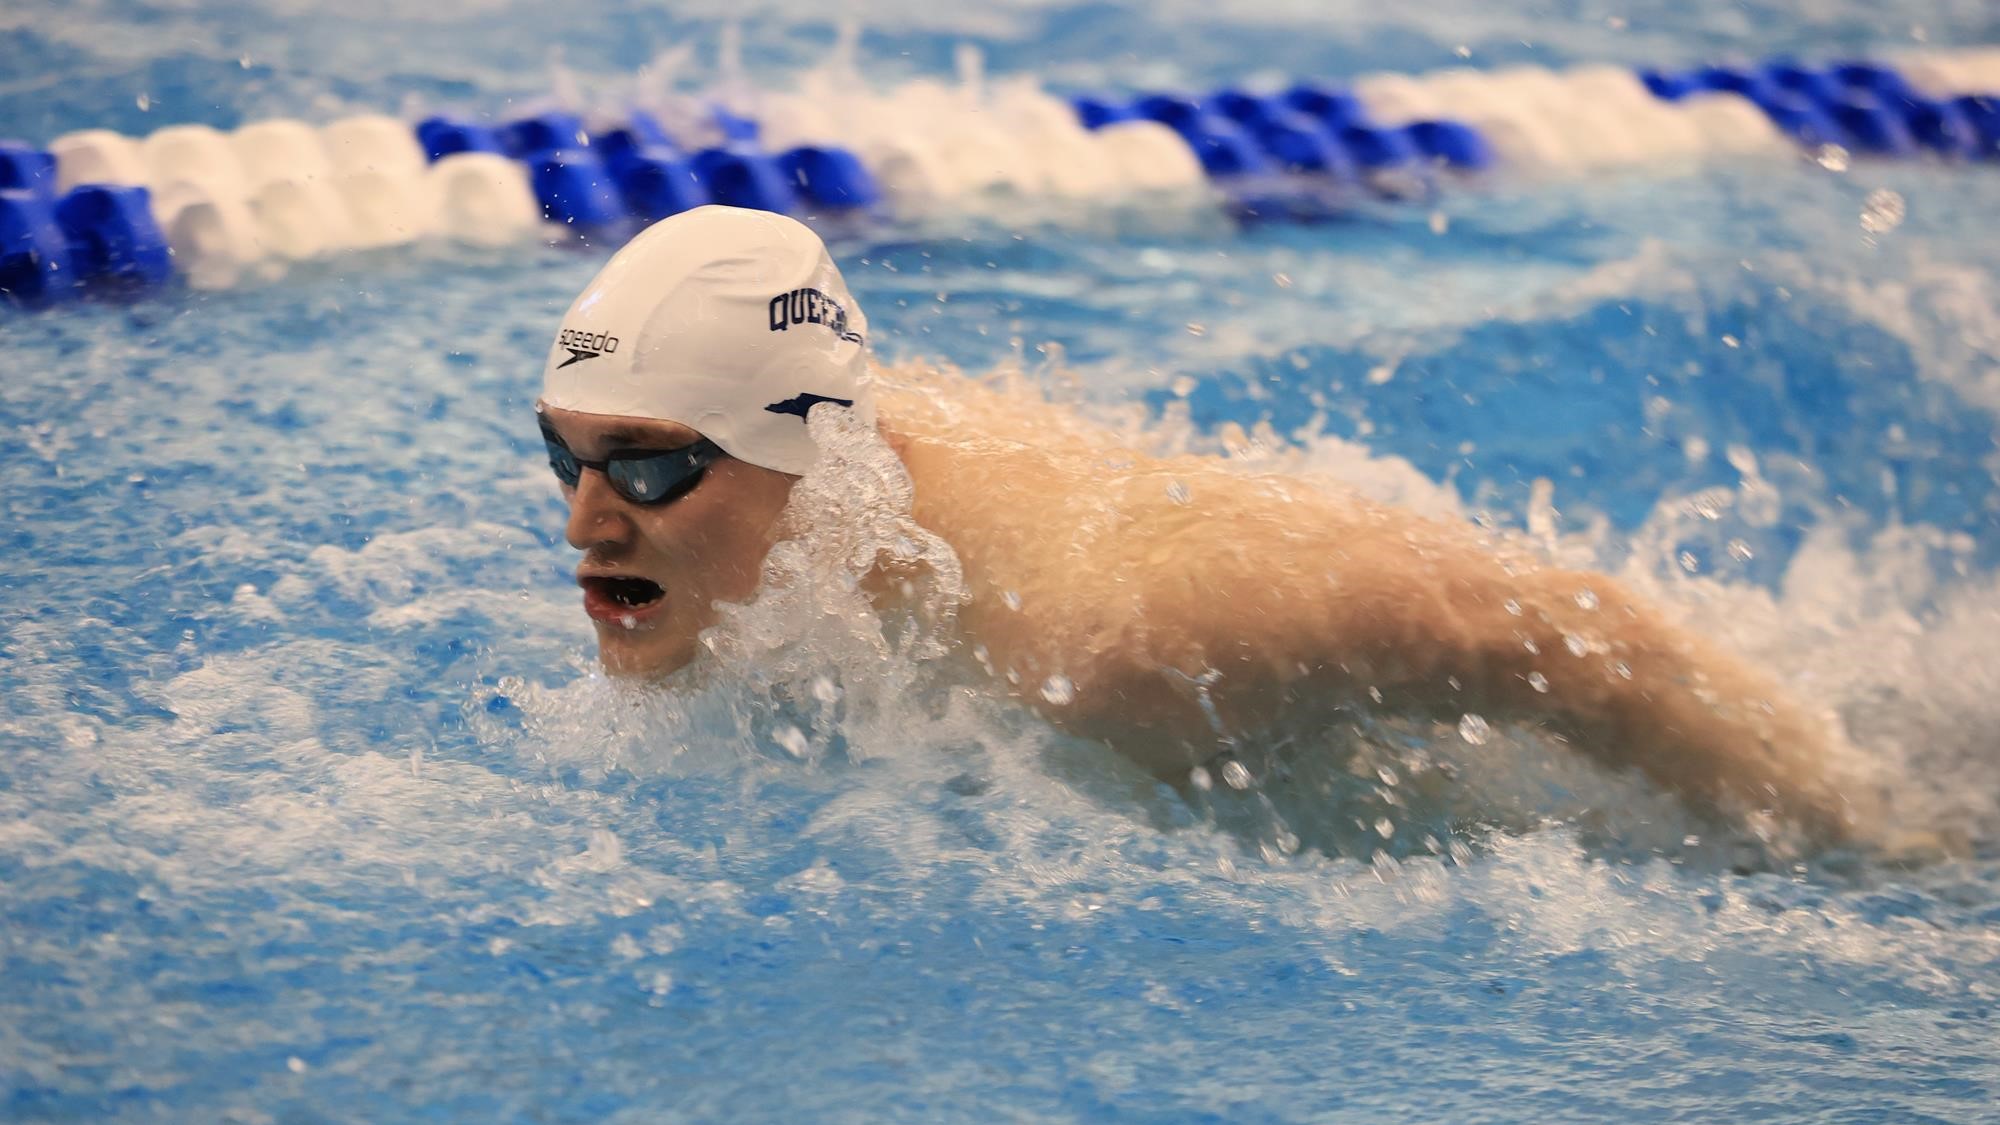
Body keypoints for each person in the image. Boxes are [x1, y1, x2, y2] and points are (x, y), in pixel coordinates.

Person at [535, 204, 1878, 846]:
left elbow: (1556, 628)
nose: (588, 522)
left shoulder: (1117, 650)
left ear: (823, 472)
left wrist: (1848, 830)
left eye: (649, 470)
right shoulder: (792, 498)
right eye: (566, 456)